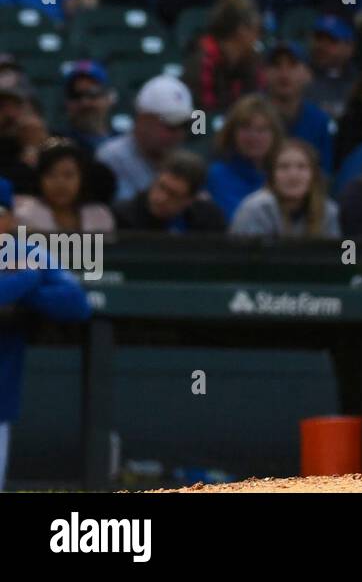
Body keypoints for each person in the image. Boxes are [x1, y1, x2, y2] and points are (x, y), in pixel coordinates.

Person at [0, 190, 92, 490]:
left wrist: (25, 286)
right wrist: (26, 279)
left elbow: (77, 304)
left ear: (10, 218)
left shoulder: (24, 252)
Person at [96, 75, 193, 204]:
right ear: (142, 120)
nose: (179, 134)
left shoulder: (182, 163)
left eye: (184, 125)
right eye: (171, 125)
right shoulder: (111, 157)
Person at [183, 0, 264, 112]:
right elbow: (198, 115)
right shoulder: (202, 62)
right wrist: (203, 132)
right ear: (241, 31)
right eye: (256, 30)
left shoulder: (250, 61)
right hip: (206, 131)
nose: (258, 37)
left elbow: (257, 109)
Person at [230, 138, 338, 238]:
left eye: (302, 167)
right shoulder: (255, 209)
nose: (293, 175)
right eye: (283, 167)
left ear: (314, 175)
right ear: (271, 175)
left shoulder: (328, 211)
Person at [205, 94, 283, 221]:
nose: (253, 137)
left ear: (274, 135)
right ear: (232, 133)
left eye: (262, 129)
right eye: (246, 128)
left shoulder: (282, 176)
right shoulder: (215, 176)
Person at [262, 40, 334, 173]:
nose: (284, 73)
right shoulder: (250, 116)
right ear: (265, 73)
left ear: (308, 74)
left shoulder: (319, 121)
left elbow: (324, 173)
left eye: (293, 65)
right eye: (276, 65)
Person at [112, 150, 226, 233]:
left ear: (190, 200)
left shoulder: (209, 220)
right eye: (161, 187)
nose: (160, 198)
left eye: (173, 195)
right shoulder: (123, 217)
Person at [14, 138, 115, 232]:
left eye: (68, 175)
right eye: (51, 175)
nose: (60, 183)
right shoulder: (24, 216)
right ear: (39, 179)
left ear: (82, 178)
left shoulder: (100, 215)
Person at [303, 14, 358, 119]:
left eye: (331, 41)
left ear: (349, 47)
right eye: (318, 39)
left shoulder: (360, 81)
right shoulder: (302, 77)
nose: (322, 46)